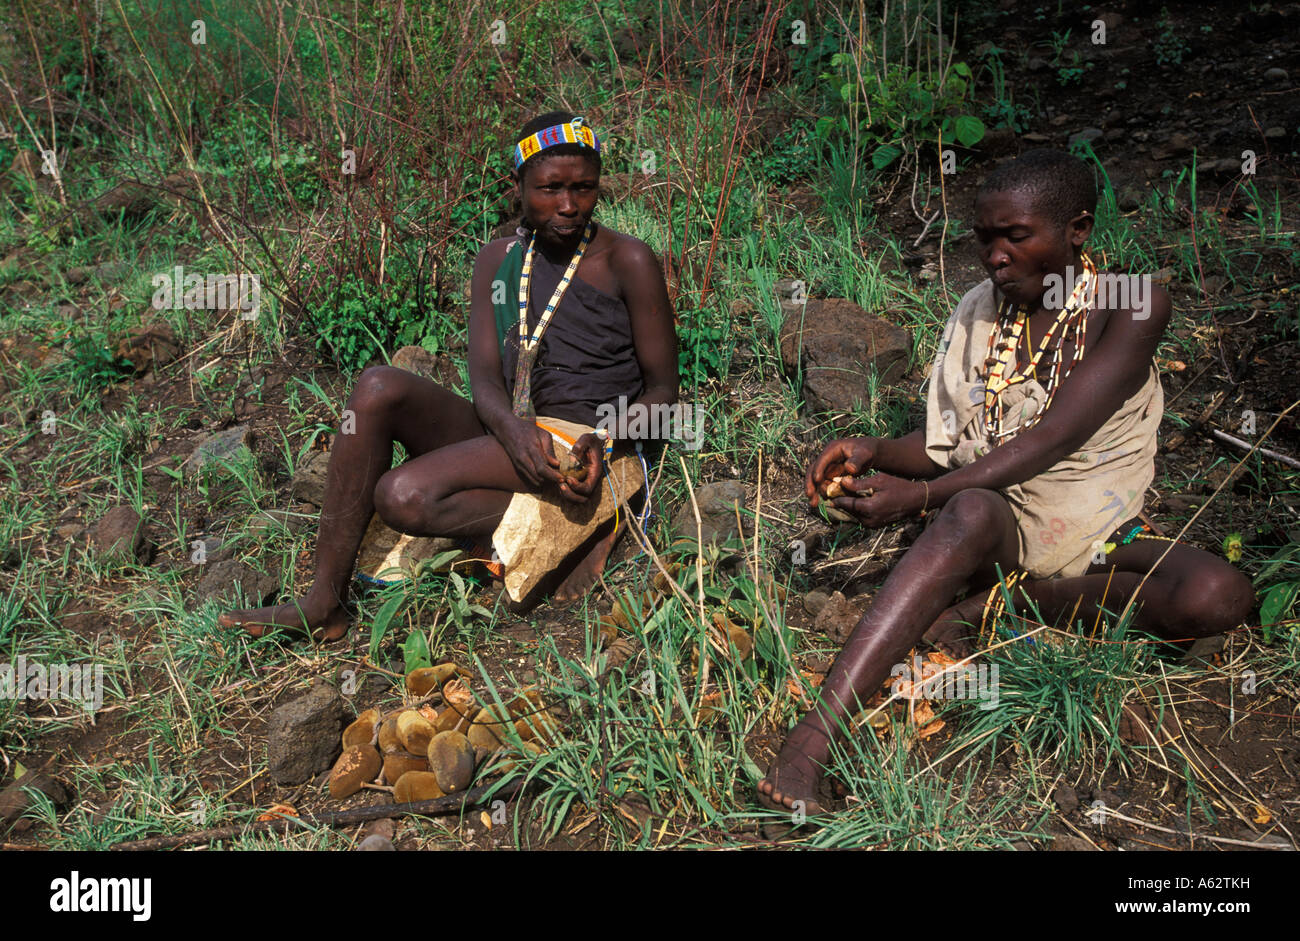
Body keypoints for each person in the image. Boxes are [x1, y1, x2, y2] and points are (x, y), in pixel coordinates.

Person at [757, 149, 1255, 817]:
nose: (994, 255)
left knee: (1217, 592)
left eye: (1016, 236)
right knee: (967, 509)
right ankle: (811, 742)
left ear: (1077, 230)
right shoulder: (980, 311)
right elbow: (949, 450)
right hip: (1004, 521)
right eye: (984, 238)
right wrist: (875, 450)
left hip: (1102, 529)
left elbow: (1055, 437)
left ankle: (993, 609)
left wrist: (921, 498)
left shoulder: (1131, 304)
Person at [219, 111, 678, 640]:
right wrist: (511, 430)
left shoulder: (627, 259)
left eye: (584, 188)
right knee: (376, 386)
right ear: (519, 187)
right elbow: (483, 379)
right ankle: (324, 602)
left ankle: (576, 520)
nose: (569, 205)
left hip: (583, 440)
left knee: (401, 496)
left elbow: (665, 391)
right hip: (512, 430)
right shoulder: (496, 261)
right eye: (550, 189)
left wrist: (605, 436)